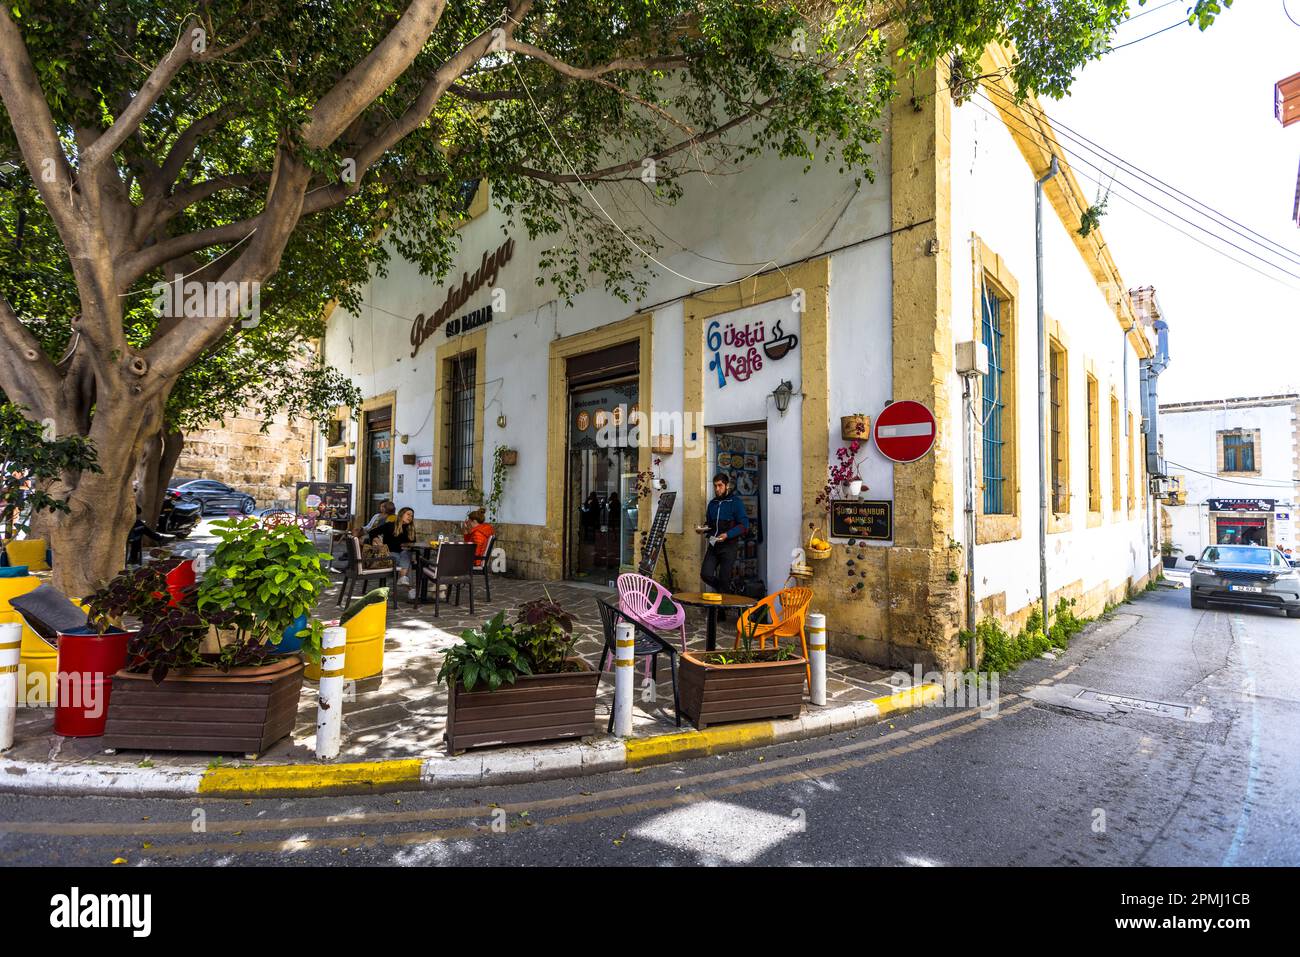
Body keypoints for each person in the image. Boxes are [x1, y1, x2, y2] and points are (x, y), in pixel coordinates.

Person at [697, 472, 749, 594]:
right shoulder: (712, 504)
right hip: (713, 544)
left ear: (727, 486)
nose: (717, 489)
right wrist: (702, 529)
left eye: (720, 485)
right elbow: (709, 524)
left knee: (724, 578)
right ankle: (726, 589)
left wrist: (728, 534)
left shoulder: (735, 502)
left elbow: (744, 525)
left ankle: (722, 610)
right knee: (705, 574)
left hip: (729, 546)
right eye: (715, 486)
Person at [372, 506, 417, 586]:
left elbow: (413, 544)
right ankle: (409, 587)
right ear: (401, 515)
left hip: (404, 553)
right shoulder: (390, 525)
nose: (410, 517)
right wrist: (378, 542)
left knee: (406, 554)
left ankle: (403, 579)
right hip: (390, 553)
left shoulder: (410, 529)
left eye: (412, 516)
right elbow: (372, 532)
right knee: (407, 560)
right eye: (408, 514)